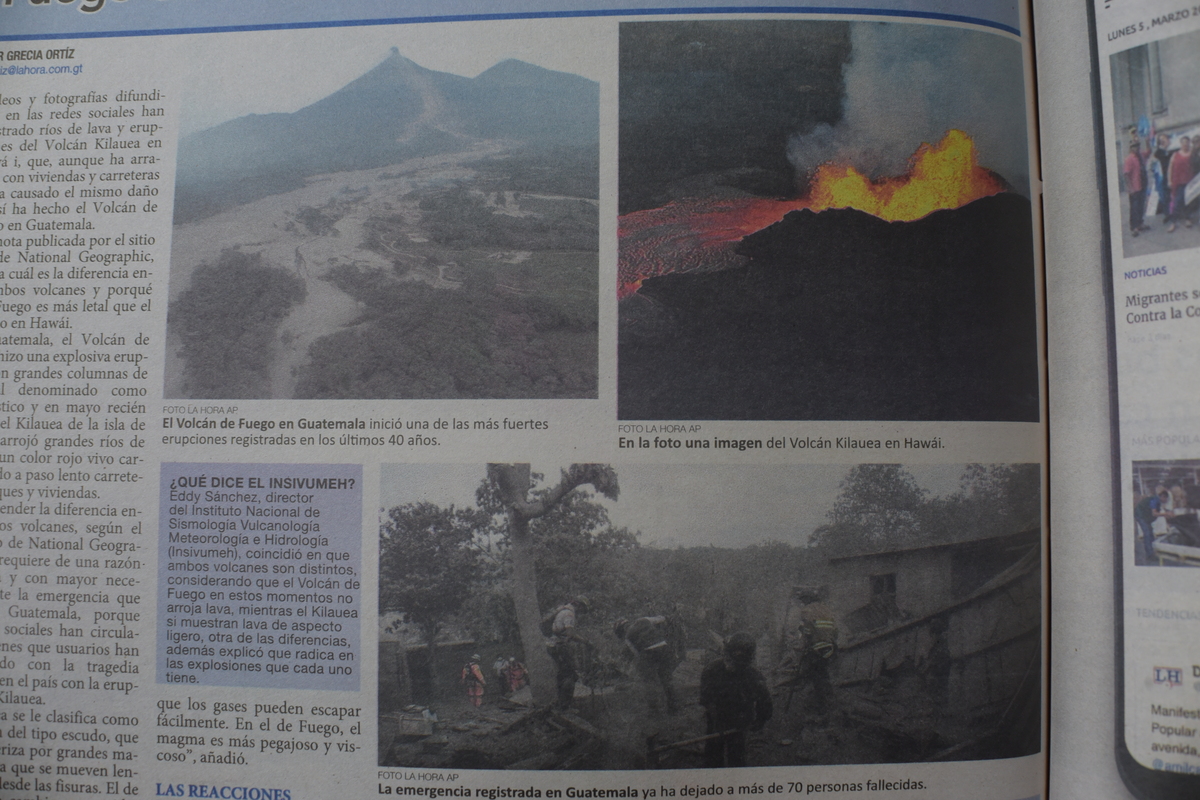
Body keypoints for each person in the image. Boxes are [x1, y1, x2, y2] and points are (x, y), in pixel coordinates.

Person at [699, 631, 772, 767]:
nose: (735, 664)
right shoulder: (712, 670)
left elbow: (765, 701)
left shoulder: (753, 675)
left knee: (737, 756)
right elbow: (706, 699)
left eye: (741, 661)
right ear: (727, 653)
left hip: (740, 720)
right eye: (734, 658)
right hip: (717, 717)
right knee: (713, 757)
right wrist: (716, 722)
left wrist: (760, 720)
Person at [615, 615, 682, 715]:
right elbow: (663, 619)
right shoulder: (643, 620)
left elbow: (636, 654)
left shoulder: (628, 638)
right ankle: (674, 708)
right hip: (664, 648)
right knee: (666, 679)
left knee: (649, 681)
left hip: (648, 653)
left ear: (622, 629)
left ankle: (654, 710)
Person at [547, 596, 592, 709]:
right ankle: (565, 706)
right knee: (570, 675)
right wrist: (586, 642)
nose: (581, 613)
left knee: (562, 675)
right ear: (578, 605)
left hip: (553, 645)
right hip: (559, 646)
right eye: (582, 609)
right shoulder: (569, 614)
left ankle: (561, 703)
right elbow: (570, 634)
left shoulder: (562, 611)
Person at [1134, 485, 1171, 563]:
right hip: (1141, 516)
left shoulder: (1157, 500)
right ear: (1162, 497)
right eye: (1166, 498)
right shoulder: (1155, 500)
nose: (1166, 500)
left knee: (1150, 533)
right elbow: (1154, 513)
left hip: (1144, 516)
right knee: (1147, 534)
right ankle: (1150, 555)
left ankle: (1152, 552)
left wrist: (1167, 512)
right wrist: (1165, 514)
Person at [1168, 136, 1196, 232]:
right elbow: (1170, 168)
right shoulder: (1175, 154)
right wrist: (1169, 180)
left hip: (1190, 182)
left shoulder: (1192, 154)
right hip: (1178, 182)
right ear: (1181, 144)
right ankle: (1173, 222)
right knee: (1177, 202)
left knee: (1188, 201)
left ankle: (1187, 219)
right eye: (1183, 142)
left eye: (1187, 142)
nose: (1185, 144)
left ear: (1189, 143)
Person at [1123, 141, 1148, 236]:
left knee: (1141, 206)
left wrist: (1148, 139)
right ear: (1130, 148)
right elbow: (1126, 174)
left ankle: (1140, 224)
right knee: (1134, 208)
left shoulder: (1140, 156)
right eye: (1134, 146)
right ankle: (1134, 227)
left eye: (1137, 146)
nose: (1136, 148)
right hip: (1135, 187)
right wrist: (1130, 188)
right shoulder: (1129, 159)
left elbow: (1148, 152)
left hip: (1142, 184)